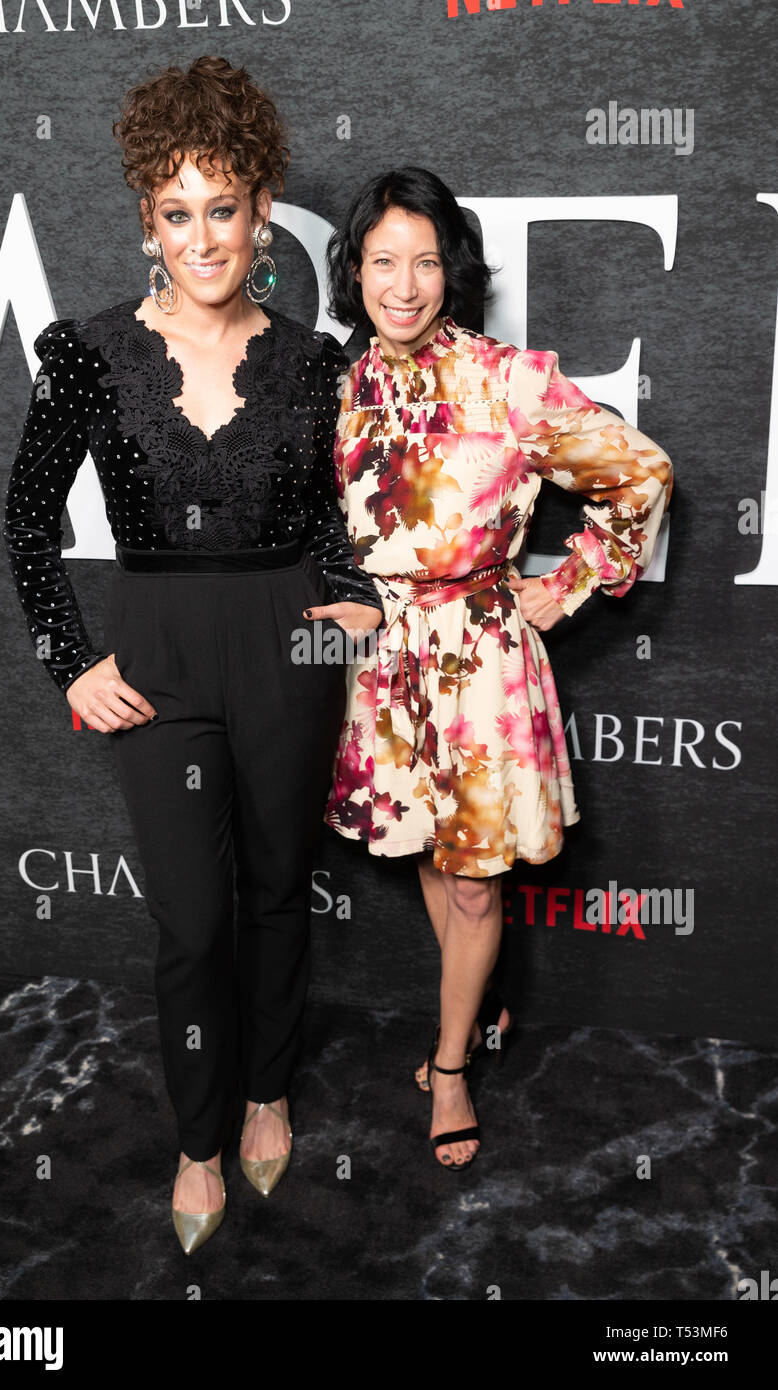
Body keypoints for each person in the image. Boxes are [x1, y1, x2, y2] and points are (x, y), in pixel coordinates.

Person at [2, 56, 382, 1252]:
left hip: (285, 644)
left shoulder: (316, 365)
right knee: (189, 921)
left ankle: (268, 1090)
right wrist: (70, 657)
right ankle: (198, 1133)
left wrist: (356, 597)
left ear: (263, 209)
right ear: (147, 222)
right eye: (177, 213)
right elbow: (24, 520)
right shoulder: (89, 354)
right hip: (157, 652)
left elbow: (336, 522)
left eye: (224, 207)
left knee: (276, 889)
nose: (203, 237)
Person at [323, 167, 673, 1171]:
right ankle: (475, 1007)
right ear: (353, 272)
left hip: (478, 662)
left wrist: (566, 584)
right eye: (382, 261)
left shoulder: (506, 377)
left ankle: (446, 1067)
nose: (403, 284)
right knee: (439, 859)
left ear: (452, 271)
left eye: (425, 261)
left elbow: (639, 472)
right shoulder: (331, 387)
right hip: (383, 663)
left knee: (474, 885)